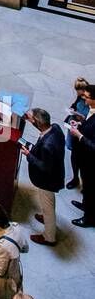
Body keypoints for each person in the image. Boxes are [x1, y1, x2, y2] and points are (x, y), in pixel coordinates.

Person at [21, 107, 65, 247]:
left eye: (33, 120)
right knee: (47, 203)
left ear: (38, 123)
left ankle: (49, 237)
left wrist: (29, 155)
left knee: (48, 206)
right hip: (55, 173)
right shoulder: (55, 128)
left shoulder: (47, 146)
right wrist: (30, 120)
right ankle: (45, 217)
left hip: (47, 181)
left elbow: (44, 166)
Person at [67, 79, 95, 227]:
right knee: (87, 186)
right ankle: (86, 205)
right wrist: (80, 124)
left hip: (92, 161)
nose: (84, 98)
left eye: (87, 97)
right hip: (84, 157)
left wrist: (80, 135)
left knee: (91, 189)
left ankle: (89, 217)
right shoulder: (91, 110)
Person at [65, 76, 90, 189]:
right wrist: (72, 111)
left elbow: (89, 120)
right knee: (74, 156)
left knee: (84, 162)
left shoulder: (90, 104)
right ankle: (75, 178)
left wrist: (81, 117)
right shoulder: (80, 98)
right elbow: (75, 105)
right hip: (75, 127)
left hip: (84, 133)